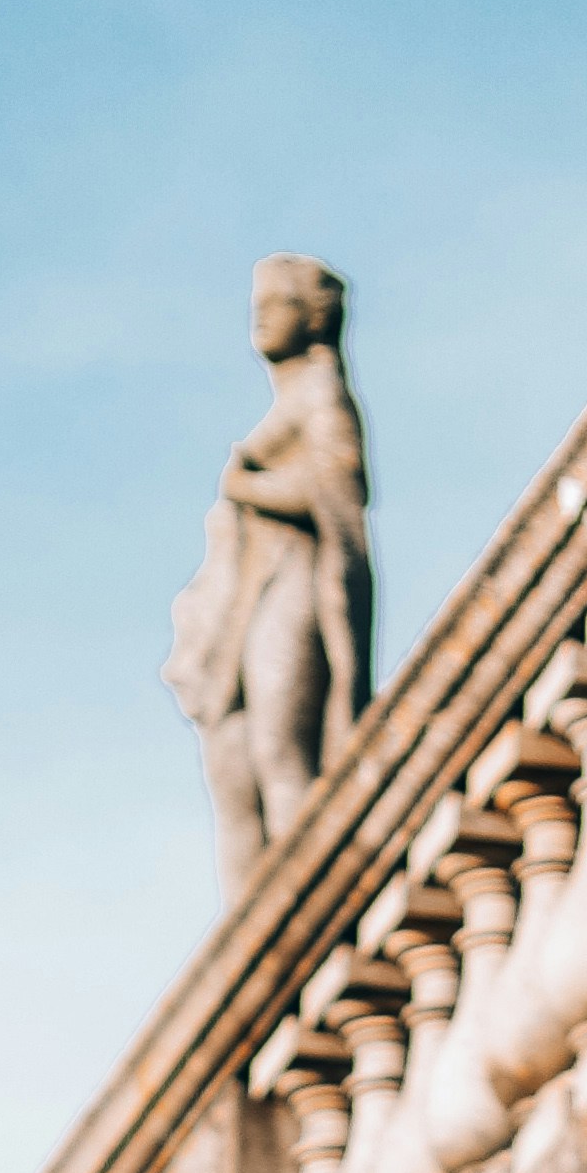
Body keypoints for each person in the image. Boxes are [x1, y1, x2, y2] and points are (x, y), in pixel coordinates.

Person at [164, 256, 375, 881]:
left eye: (276, 302)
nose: (260, 315)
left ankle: (306, 886)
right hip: (248, 589)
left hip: (293, 575)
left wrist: (248, 489)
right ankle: (254, 914)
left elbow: (338, 485)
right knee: (239, 765)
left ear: (312, 317)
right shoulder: (294, 399)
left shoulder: (322, 392)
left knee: (282, 747)